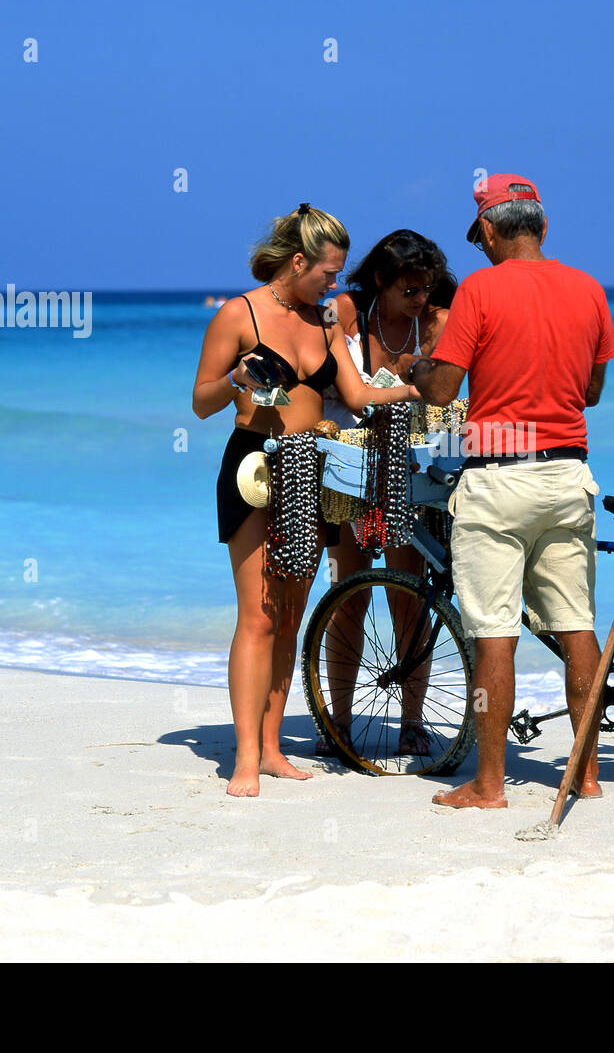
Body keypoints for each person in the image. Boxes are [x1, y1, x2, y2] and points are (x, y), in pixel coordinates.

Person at [191, 204, 420, 797]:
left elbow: (357, 395)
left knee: (291, 614)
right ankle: (245, 758)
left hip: (313, 471)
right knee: (259, 615)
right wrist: (239, 378)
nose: (336, 286)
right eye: (328, 273)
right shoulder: (239, 315)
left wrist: (425, 384)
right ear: (298, 262)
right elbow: (201, 401)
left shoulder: (324, 324)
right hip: (254, 467)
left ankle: (271, 750)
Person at [407, 174, 614, 809]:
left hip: (498, 480)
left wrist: (420, 366)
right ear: (544, 228)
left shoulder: (479, 289)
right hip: (567, 475)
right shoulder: (587, 289)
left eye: (481, 239)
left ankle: (490, 783)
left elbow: (444, 391)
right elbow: (591, 393)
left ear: (493, 230)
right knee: (576, 626)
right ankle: (585, 773)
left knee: (493, 635)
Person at [315, 230, 458, 757]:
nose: (420, 299)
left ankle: (413, 721)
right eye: (409, 290)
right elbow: (335, 383)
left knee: (409, 595)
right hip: (350, 463)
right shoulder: (344, 311)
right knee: (347, 595)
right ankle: (339, 719)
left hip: (415, 469)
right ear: (381, 279)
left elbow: (452, 394)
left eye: (426, 288)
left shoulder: (440, 320)